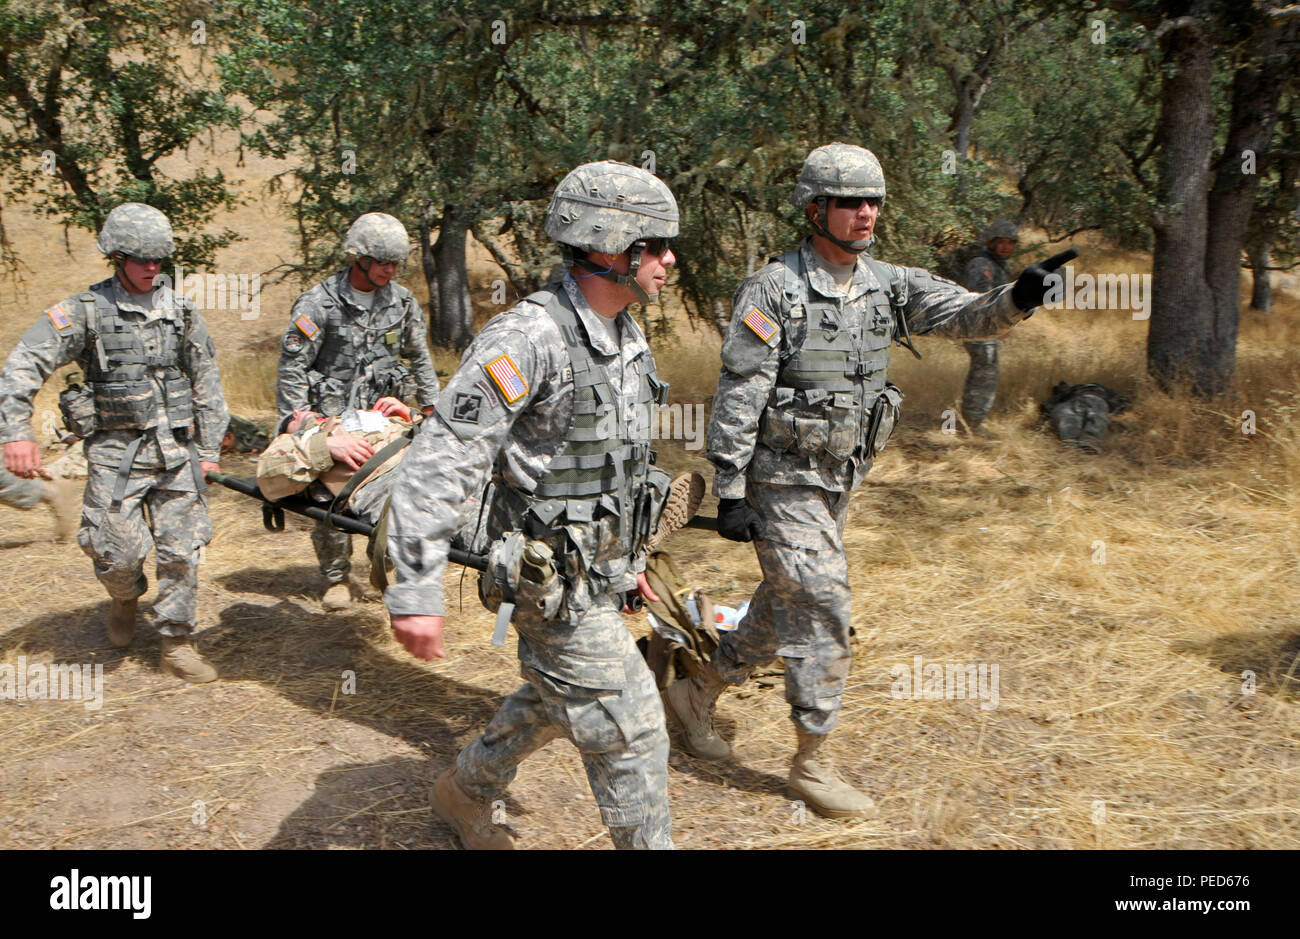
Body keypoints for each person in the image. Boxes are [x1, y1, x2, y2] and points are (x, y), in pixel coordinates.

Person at [665, 142, 1075, 818]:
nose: (866, 212)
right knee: (823, 600)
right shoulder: (776, 287)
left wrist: (1019, 297)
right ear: (814, 208)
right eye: (851, 201)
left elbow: (966, 313)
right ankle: (810, 761)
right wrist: (732, 485)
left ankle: (696, 689)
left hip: (839, 478)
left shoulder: (888, 283)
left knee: (784, 598)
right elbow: (741, 387)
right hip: (780, 478)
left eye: (874, 200)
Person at [382, 161, 679, 850]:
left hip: (598, 578)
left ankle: (463, 790)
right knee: (630, 726)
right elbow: (442, 457)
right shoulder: (528, 339)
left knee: (553, 701)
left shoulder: (627, 333)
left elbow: (618, 470)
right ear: (610, 247)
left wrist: (629, 563)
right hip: (549, 583)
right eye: (656, 245)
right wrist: (415, 587)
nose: (669, 261)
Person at [0, 203, 229, 681]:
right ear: (118, 257)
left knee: (181, 551)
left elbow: (207, 380)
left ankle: (176, 642)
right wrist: (17, 434)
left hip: (176, 452)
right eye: (141, 259)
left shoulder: (181, 312)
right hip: (115, 456)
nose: (151, 268)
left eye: (159, 260)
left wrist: (207, 452)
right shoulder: (84, 312)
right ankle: (126, 596)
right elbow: (22, 367)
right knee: (114, 555)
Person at [276, 212, 440, 611]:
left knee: (391, 490)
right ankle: (335, 576)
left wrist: (432, 408)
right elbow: (292, 367)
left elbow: (418, 355)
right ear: (359, 258)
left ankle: (381, 567)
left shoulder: (401, 302)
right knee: (329, 495)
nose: (390, 270)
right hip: (331, 419)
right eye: (382, 262)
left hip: (383, 418)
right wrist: (301, 423)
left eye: (395, 263)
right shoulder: (320, 303)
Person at [960, 219, 1019, 434]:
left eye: (1010, 242)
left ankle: (972, 420)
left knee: (985, 369)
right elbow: (981, 300)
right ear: (991, 243)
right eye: (1000, 242)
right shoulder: (982, 265)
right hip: (978, 327)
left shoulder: (998, 265)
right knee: (985, 370)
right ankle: (973, 424)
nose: (1005, 247)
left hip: (988, 328)